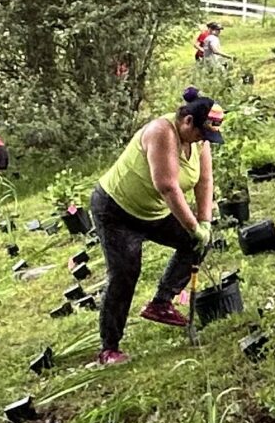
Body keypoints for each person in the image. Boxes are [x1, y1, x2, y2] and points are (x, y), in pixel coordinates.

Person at [89, 88, 223, 366]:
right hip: (116, 210)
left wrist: (205, 222)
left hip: (154, 211)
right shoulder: (161, 132)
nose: (203, 140)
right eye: (201, 133)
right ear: (187, 121)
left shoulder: (199, 141)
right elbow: (168, 187)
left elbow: (204, 182)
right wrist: (193, 226)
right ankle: (109, 348)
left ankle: (161, 303)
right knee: (125, 273)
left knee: (196, 244)